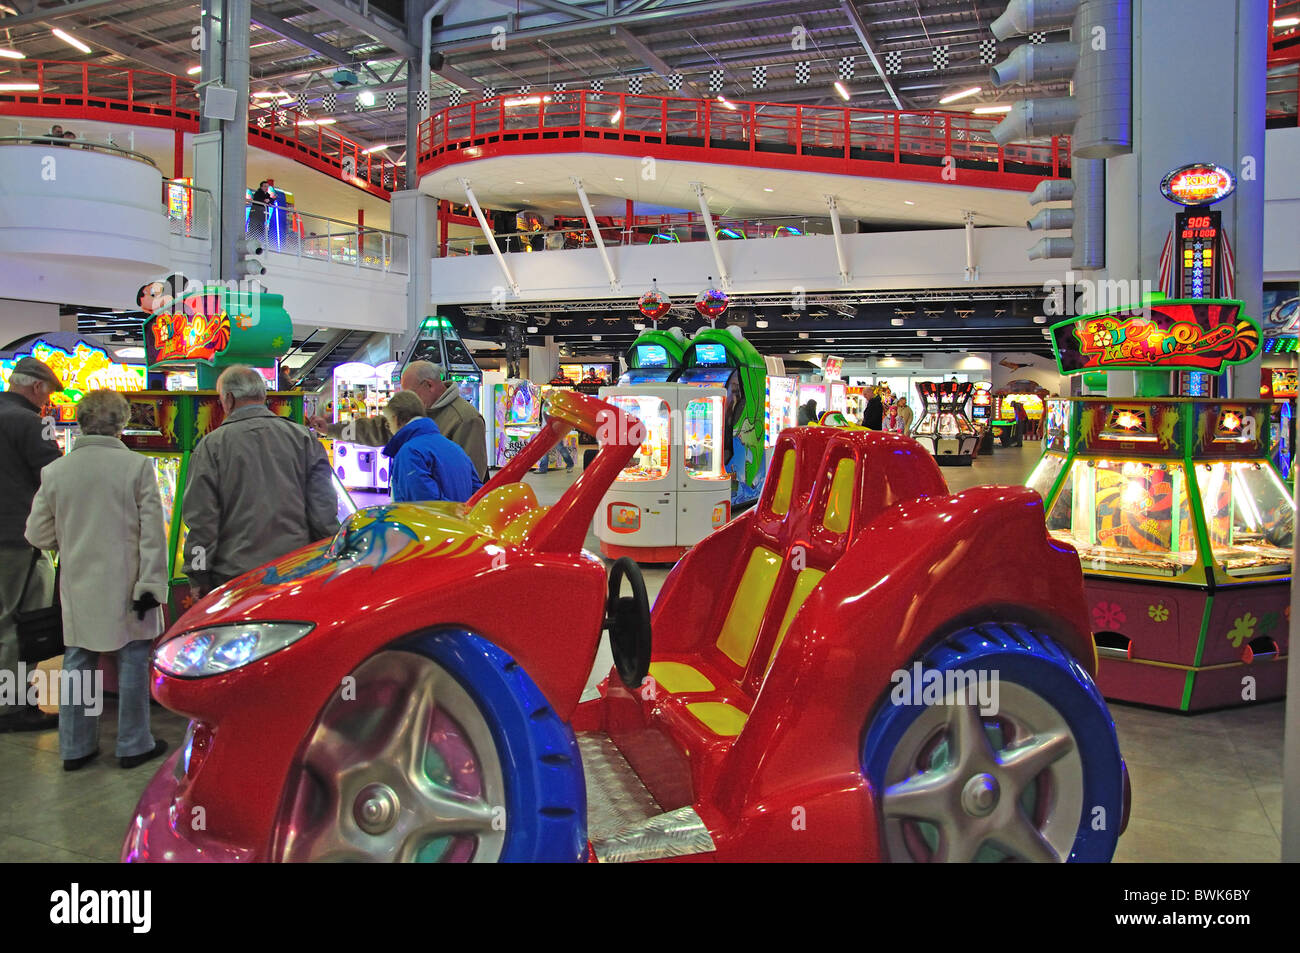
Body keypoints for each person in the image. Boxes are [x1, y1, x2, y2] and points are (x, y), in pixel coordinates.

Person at [24, 390, 169, 771]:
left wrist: (70, 540)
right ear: (122, 423)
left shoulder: (56, 471)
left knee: (77, 661)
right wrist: (152, 586)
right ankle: (133, 743)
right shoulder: (136, 467)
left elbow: (37, 535)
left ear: (83, 420)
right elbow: (153, 534)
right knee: (134, 660)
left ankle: (75, 747)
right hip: (130, 584)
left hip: (78, 585)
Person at [182, 365, 340, 597]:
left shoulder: (211, 446)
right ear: (263, 396)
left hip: (235, 580)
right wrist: (329, 558)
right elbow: (324, 510)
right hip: (295, 571)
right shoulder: (302, 438)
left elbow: (201, 521)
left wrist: (197, 575)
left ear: (228, 399)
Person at [0, 358, 63, 733]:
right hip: (16, 538)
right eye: (48, 393)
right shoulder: (31, 423)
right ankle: (11, 707)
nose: (47, 402)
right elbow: (54, 476)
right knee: (17, 621)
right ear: (37, 387)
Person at [309, 360, 488, 482]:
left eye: (409, 391)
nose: (405, 397)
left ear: (429, 385)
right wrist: (331, 429)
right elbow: (375, 429)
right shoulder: (414, 411)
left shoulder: (465, 419)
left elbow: (470, 478)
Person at [381, 391, 482, 503]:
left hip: (434, 520)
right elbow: (478, 496)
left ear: (396, 419)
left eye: (388, 424)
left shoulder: (410, 453)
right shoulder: (456, 449)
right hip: (461, 519)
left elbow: (423, 507)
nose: (390, 429)